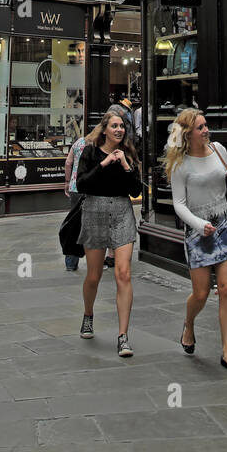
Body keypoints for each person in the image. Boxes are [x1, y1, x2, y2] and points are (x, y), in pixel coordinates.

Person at [165, 109, 227, 371]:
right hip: (198, 230)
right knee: (200, 293)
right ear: (188, 133)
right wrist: (199, 225)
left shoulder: (218, 149)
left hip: (223, 224)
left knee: (226, 288)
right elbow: (179, 204)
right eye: (200, 127)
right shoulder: (180, 163)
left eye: (206, 125)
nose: (206, 130)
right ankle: (189, 324)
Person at [76, 110, 142, 357]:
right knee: (93, 276)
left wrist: (125, 165)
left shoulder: (129, 154)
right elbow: (82, 184)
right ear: (104, 129)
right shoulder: (91, 152)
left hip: (122, 212)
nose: (119, 130)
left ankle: (123, 335)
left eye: (122, 126)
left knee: (123, 273)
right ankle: (88, 314)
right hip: (95, 211)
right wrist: (104, 164)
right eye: (114, 126)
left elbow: (136, 190)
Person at [63, 129, 89, 272]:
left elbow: (68, 162)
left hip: (75, 188)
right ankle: (96, 261)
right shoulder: (98, 144)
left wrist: (67, 181)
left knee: (74, 224)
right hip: (90, 189)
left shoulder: (79, 142)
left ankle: (71, 263)